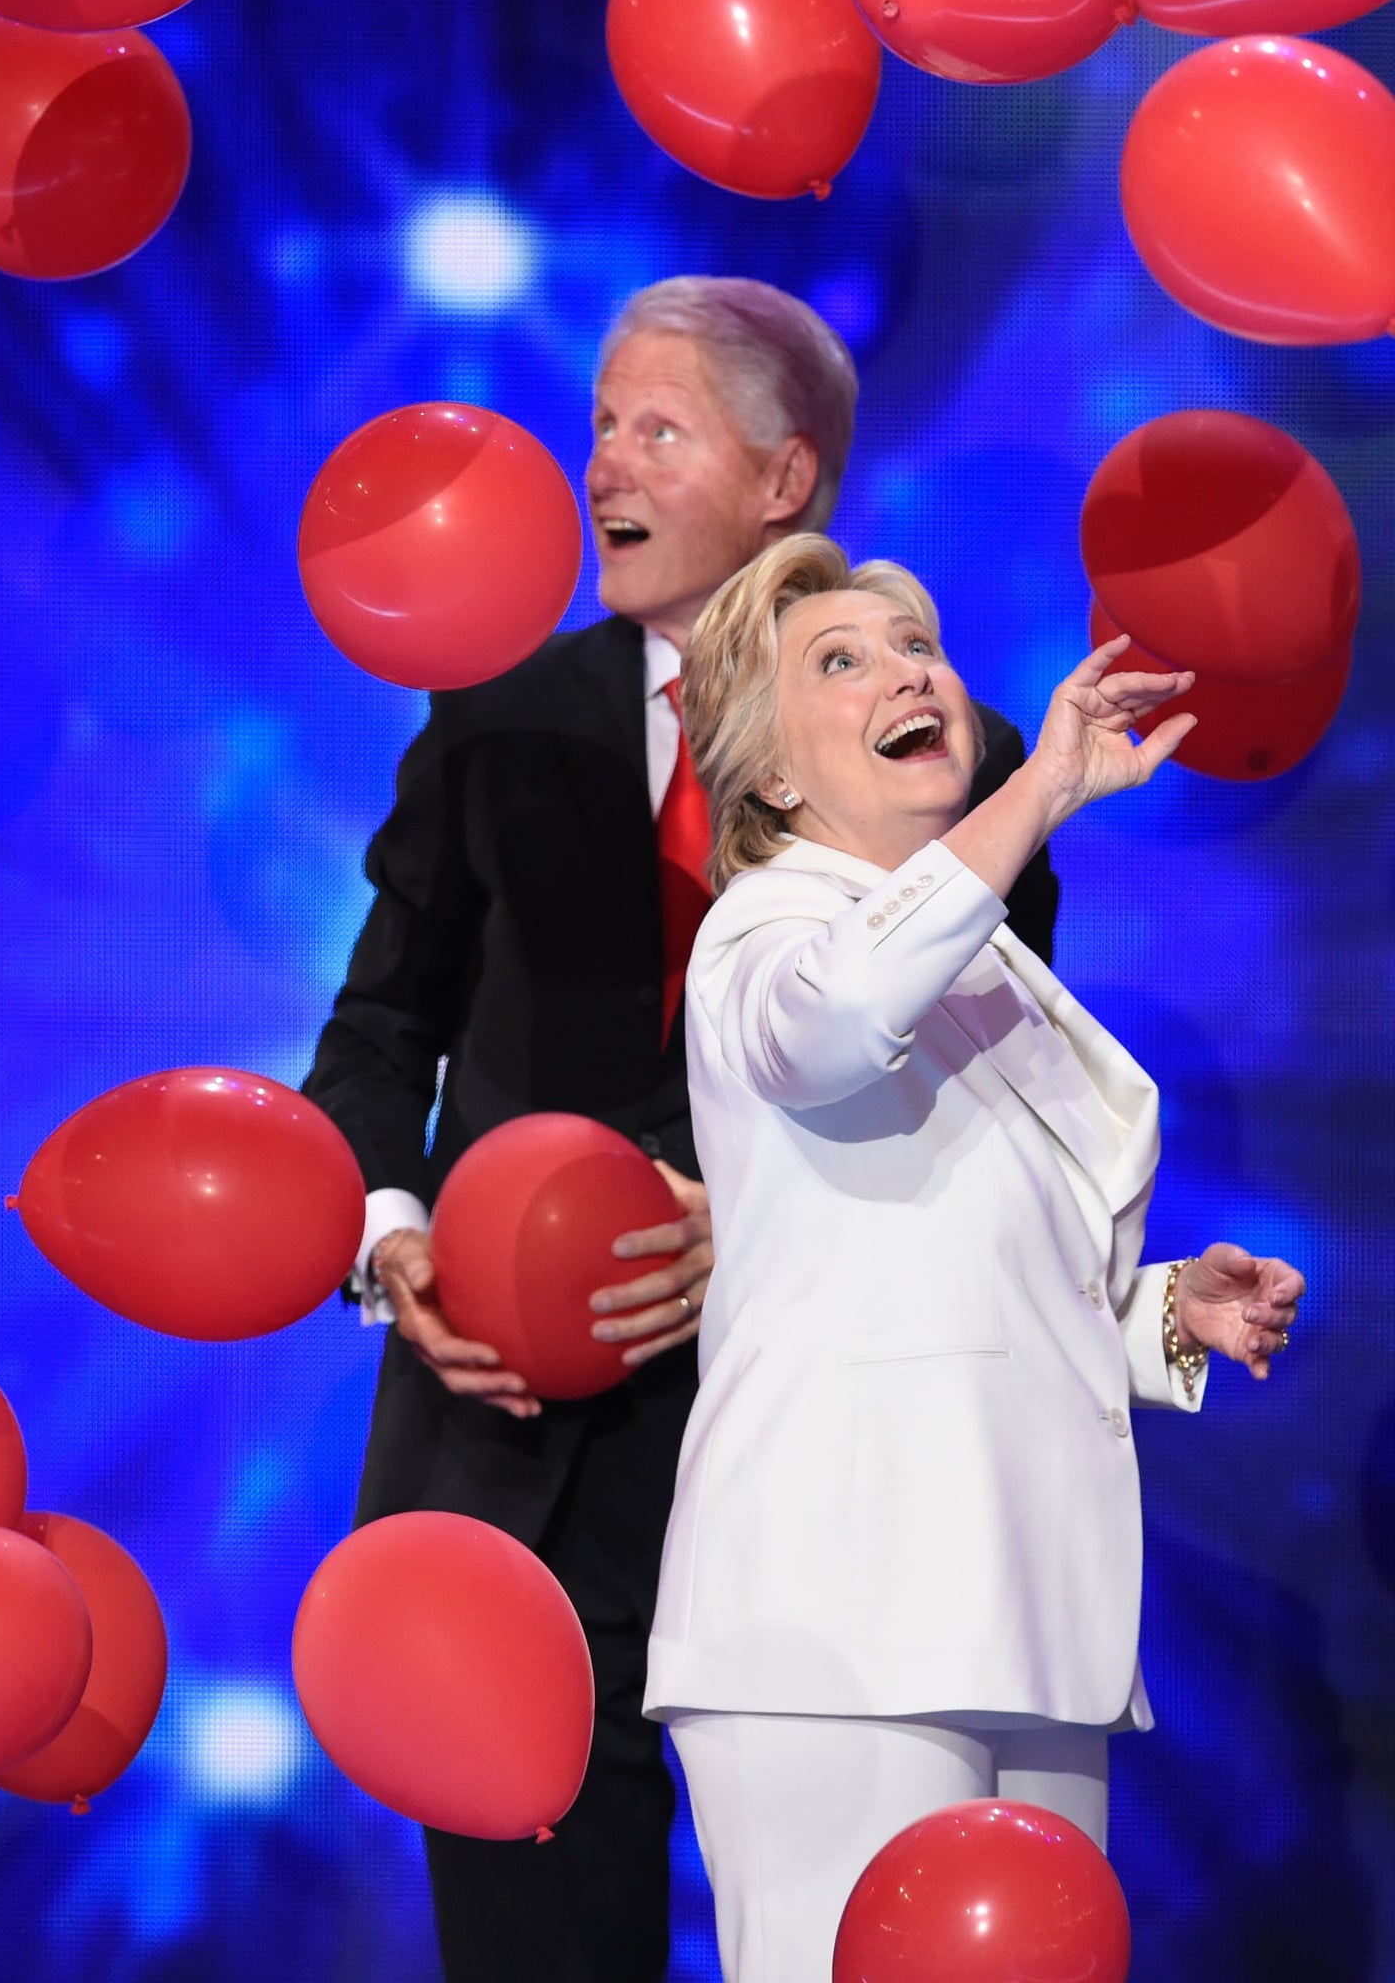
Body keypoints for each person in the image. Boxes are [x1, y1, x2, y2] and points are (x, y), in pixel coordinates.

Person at [301, 280, 1059, 1983]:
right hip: (502, 1475)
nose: (600, 468)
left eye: (656, 429)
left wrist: (758, 1215)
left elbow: (1003, 1116)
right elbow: (379, 1027)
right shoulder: (491, 716)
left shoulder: (959, 762)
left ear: (784, 479)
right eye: (598, 426)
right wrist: (391, 1241)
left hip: (806, 1468)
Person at [644, 534, 1307, 1982]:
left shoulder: (987, 963)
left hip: (1026, 1616)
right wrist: (1037, 792)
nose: (906, 669)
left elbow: (979, 1288)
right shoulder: (769, 933)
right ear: (767, 776)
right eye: (842, 660)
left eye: (915, 644)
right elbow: (829, 1033)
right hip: (841, 1625)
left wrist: (1163, 1316)